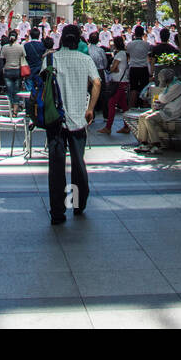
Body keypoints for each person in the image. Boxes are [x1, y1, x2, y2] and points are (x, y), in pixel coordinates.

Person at [41, 24, 100, 225]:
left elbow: (43, 84)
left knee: (56, 167)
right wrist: (90, 108)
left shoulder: (50, 59)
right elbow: (97, 82)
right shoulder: (85, 59)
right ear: (78, 40)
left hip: (55, 120)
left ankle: (58, 211)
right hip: (78, 119)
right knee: (78, 163)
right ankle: (77, 203)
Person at [133, 67, 181, 153]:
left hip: (171, 112)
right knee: (142, 117)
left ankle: (156, 144)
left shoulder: (177, 85)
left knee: (149, 119)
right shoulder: (169, 85)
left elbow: (164, 98)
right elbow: (162, 97)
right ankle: (144, 143)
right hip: (163, 109)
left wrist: (161, 95)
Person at [98, 35, 130, 135]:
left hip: (118, 82)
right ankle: (127, 126)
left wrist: (113, 68)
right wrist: (114, 68)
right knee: (123, 105)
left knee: (111, 103)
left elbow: (113, 68)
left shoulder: (120, 54)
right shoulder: (124, 54)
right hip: (121, 81)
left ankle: (108, 127)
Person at [126, 26, 151, 108]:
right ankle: (145, 108)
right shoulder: (147, 44)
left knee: (133, 89)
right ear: (143, 34)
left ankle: (132, 108)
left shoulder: (130, 44)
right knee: (145, 88)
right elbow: (149, 58)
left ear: (134, 33)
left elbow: (128, 56)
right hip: (144, 68)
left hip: (133, 68)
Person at [0, 30, 25, 105]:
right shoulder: (20, 47)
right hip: (17, 70)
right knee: (16, 91)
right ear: (17, 38)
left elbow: (2, 58)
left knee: (9, 90)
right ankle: (15, 110)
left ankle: (9, 108)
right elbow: (24, 57)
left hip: (7, 70)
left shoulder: (4, 47)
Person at [23, 27, 45, 94]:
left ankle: (28, 103)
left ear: (30, 35)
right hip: (39, 70)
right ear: (39, 36)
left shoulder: (26, 45)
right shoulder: (42, 45)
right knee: (40, 89)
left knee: (28, 90)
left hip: (29, 70)